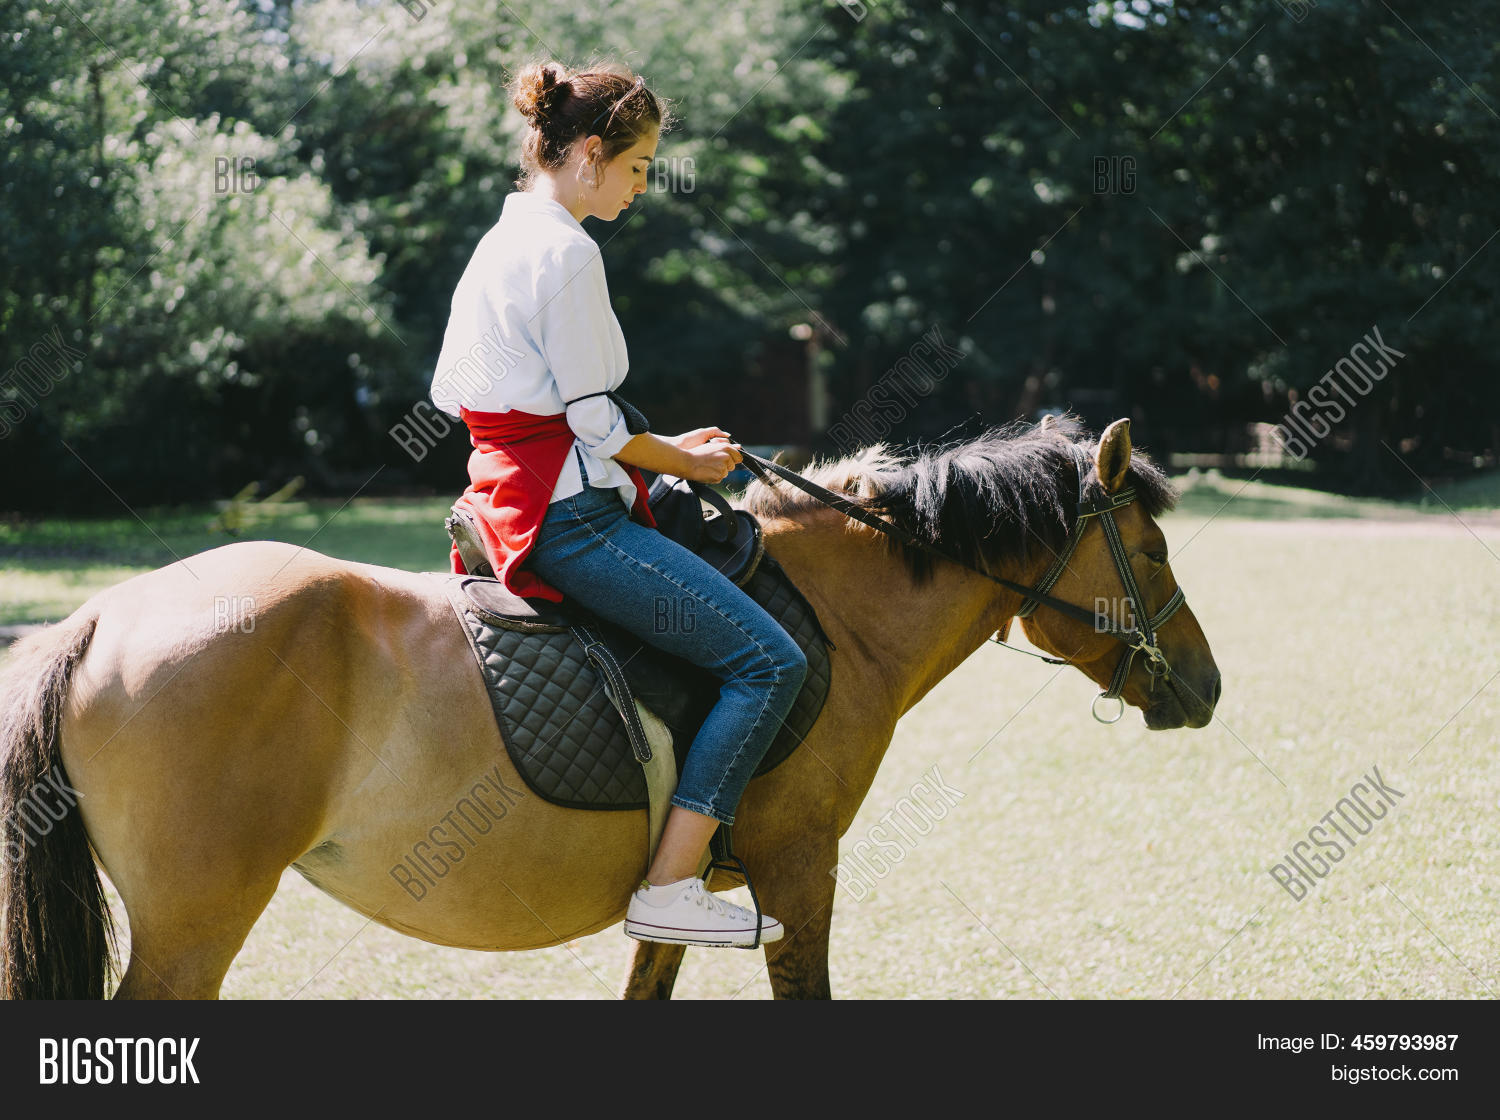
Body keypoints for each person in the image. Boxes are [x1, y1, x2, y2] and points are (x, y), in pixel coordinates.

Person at [430, 60, 808, 948]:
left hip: (504, 498)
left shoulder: (500, 242)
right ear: (590, 153)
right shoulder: (567, 251)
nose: (642, 187)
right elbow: (594, 418)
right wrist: (680, 457)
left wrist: (634, 446)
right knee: (770, 663)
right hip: (571, 520)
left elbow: (460, 394)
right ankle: (671, 887)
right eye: (637, 167)